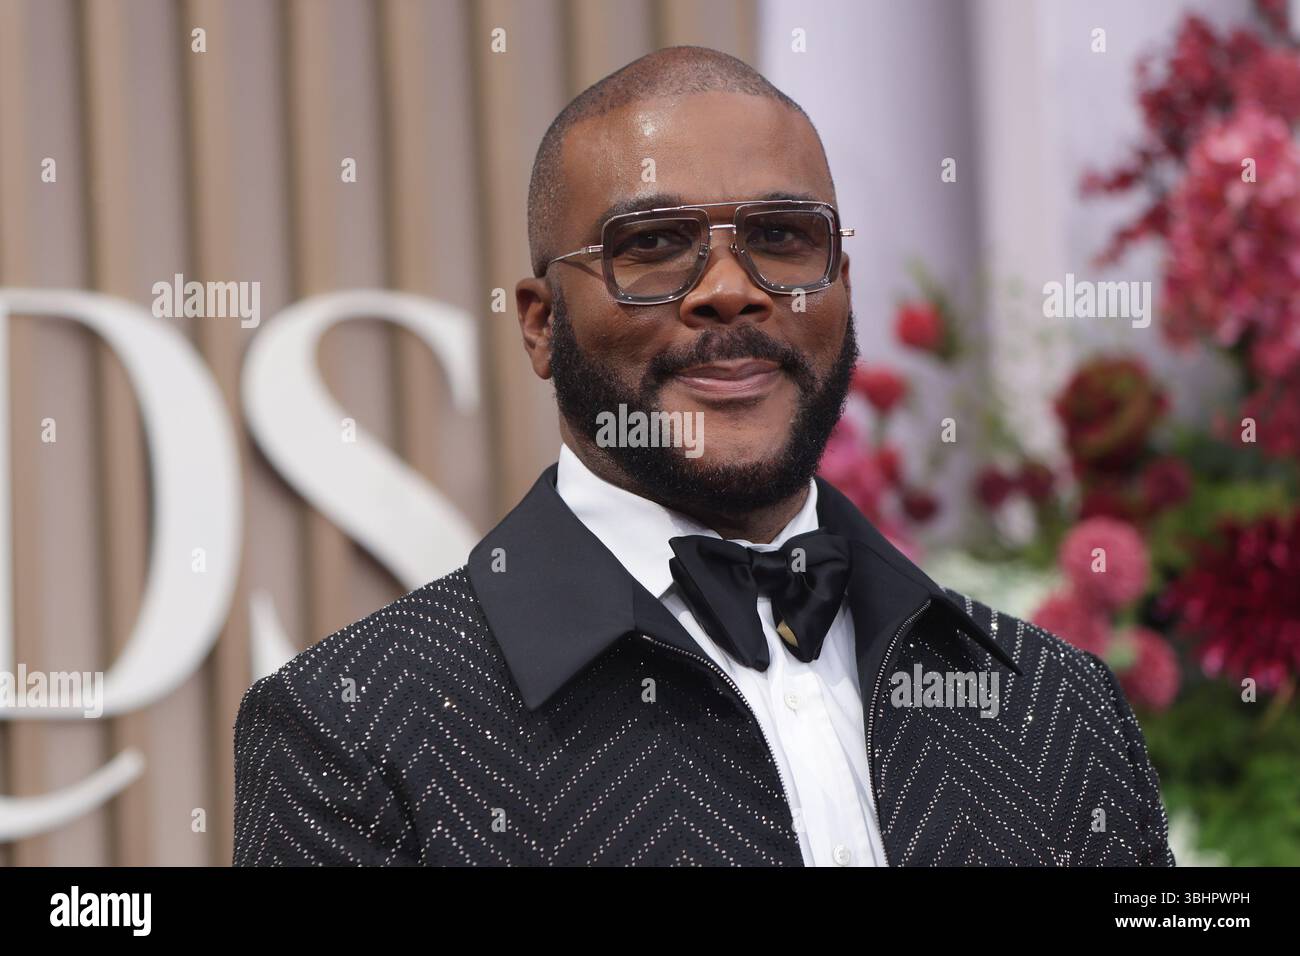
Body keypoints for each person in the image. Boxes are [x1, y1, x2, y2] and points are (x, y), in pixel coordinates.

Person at [233, 45, 1174, 867]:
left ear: (842, 285)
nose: (731, 291)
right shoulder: (351, 731)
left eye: (781, 238)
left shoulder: (1059, 704)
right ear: (540, 323)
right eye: (652, 245)